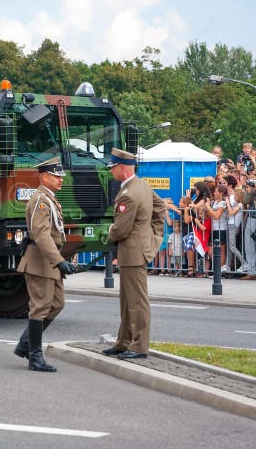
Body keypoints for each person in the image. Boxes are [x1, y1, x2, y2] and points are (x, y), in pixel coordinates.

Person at [102, 148, 166, 360]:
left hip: (133, 252)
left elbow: (120, 229)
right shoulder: (142, 185)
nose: (111, 171)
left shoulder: (129, 193)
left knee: (136, 301)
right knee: (127, 301)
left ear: (122, 168)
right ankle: (124, 342)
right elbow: (161, 209)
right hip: (135, 250)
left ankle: (138, 346)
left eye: (113, 168)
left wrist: (109, 232)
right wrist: (153, 236)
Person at [13, 157, 75, 373]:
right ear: (45, 177)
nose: (61, 180)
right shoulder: (40, 200)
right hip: (40, 261)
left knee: (57, 304)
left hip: (49, 261)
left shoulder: (49, 199)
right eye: (57, 176)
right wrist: (58, 261)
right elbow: (41, 234)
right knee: (40, 307)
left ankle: (25, 344)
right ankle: (34, 356)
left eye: (61, 177)